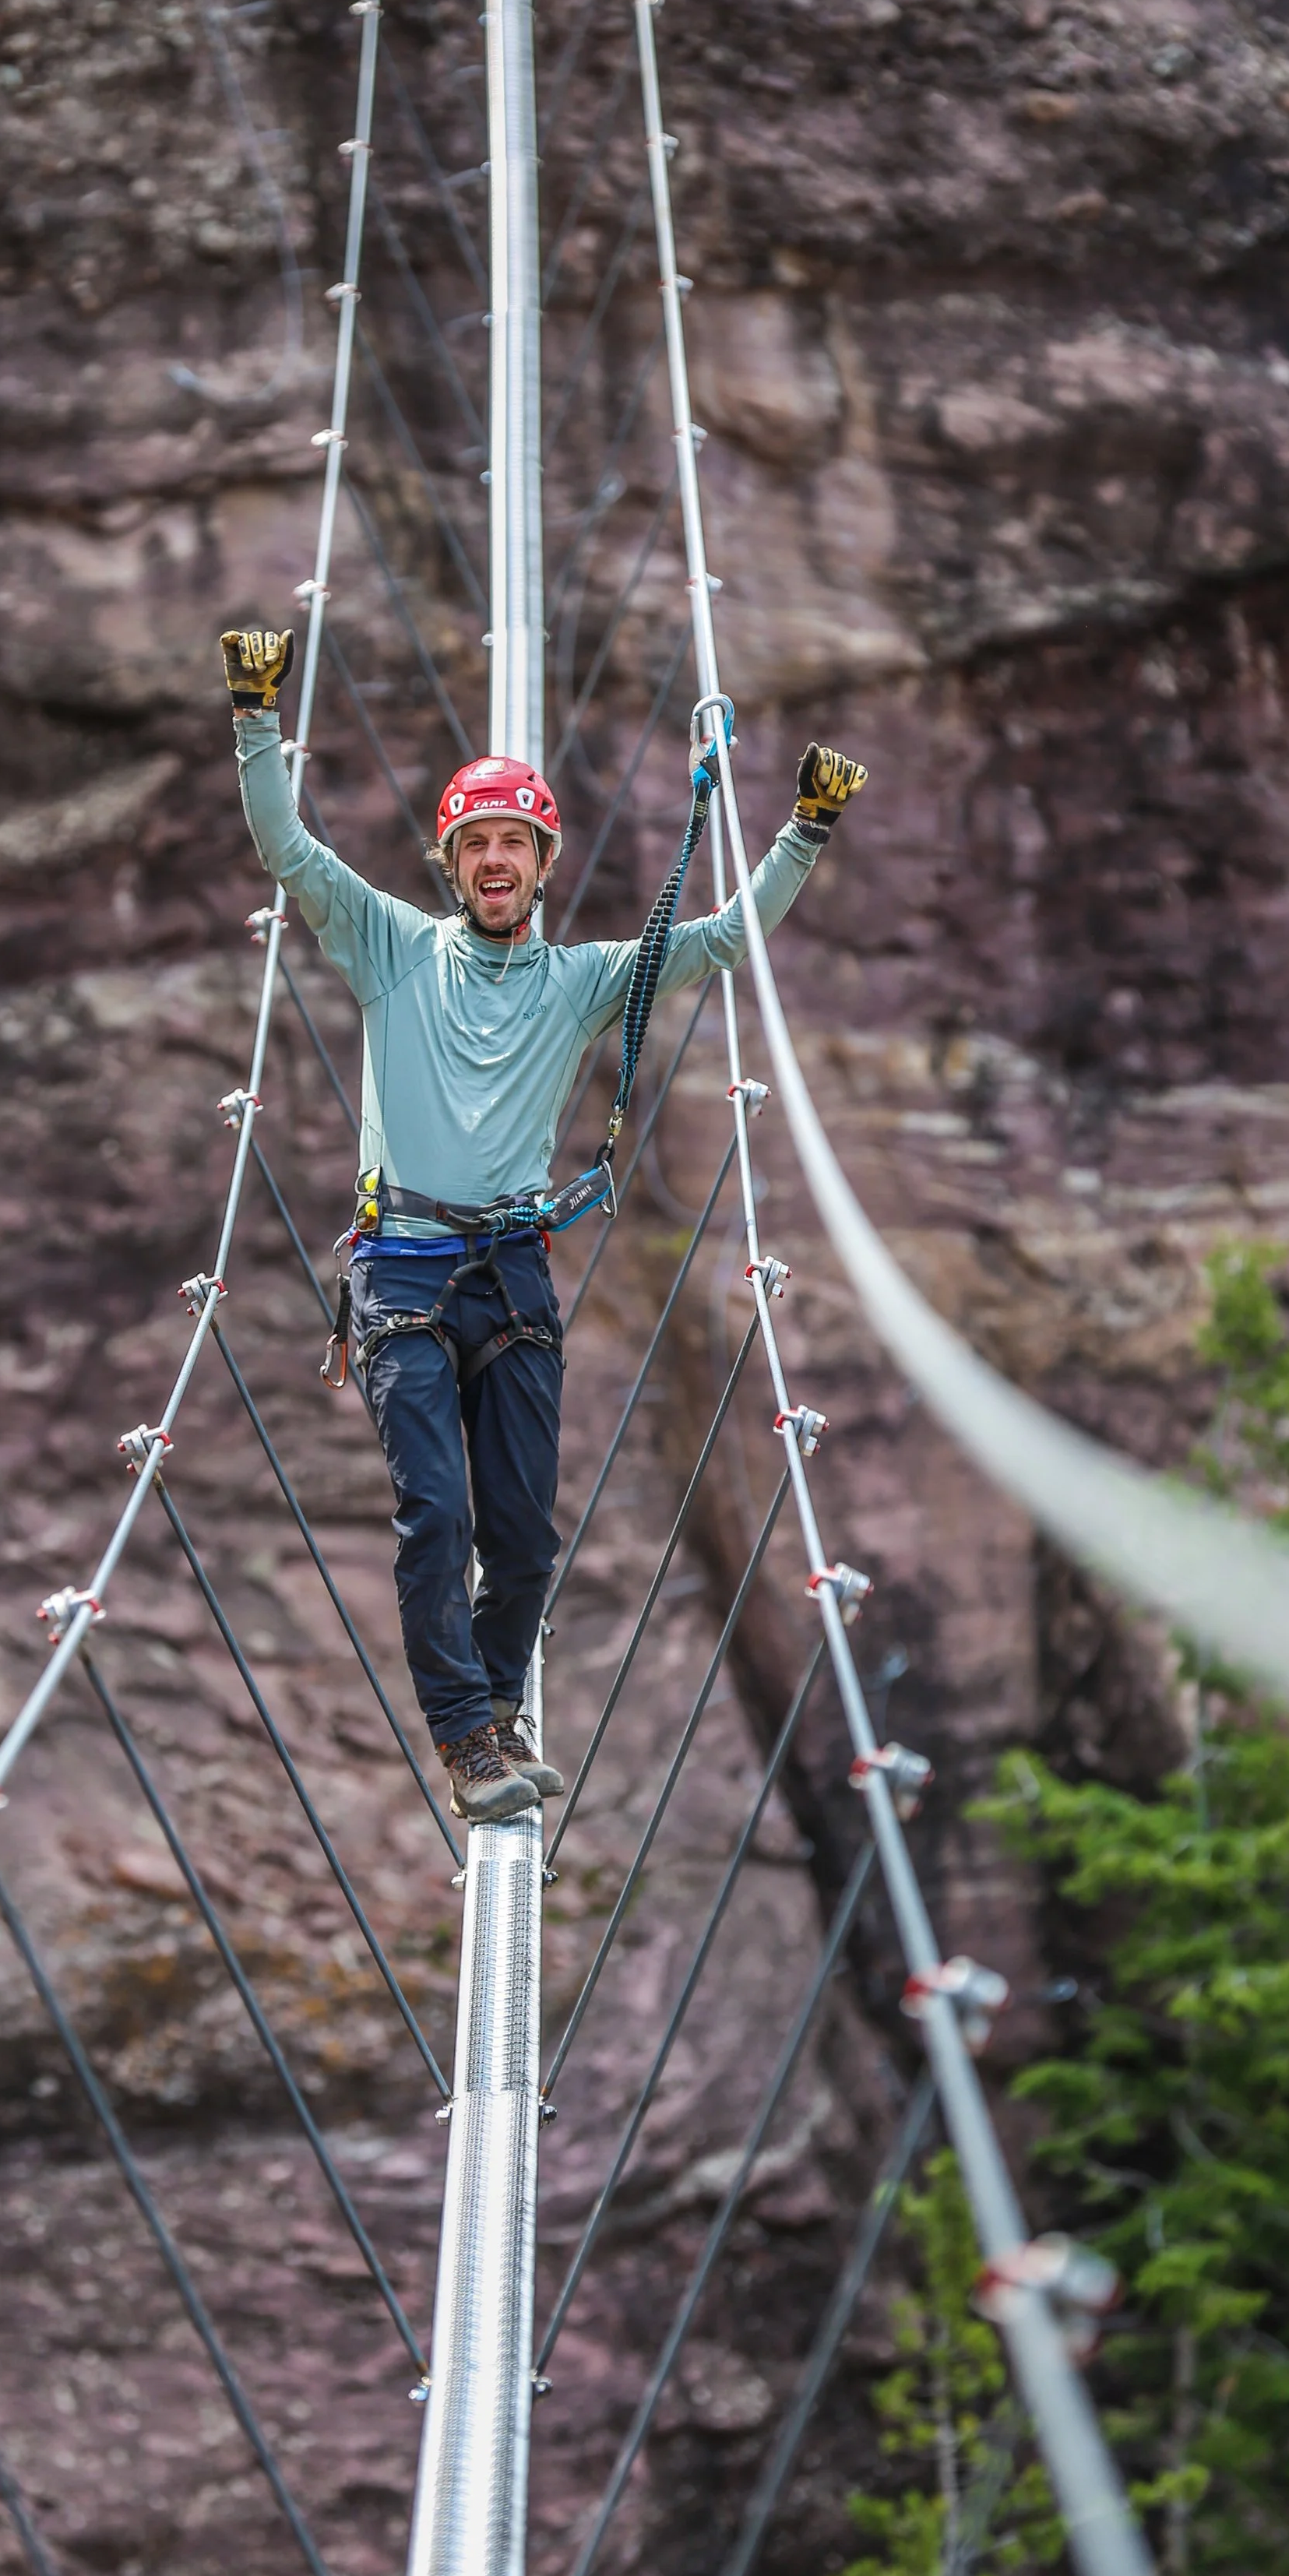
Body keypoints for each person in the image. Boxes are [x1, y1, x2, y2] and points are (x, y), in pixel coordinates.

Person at [220, 627, 867, 1823]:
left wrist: (802, 834)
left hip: (513, 1270)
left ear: (545, 859)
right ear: (451, 864)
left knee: (519, 1537)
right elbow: (286, 848)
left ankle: (502, 1704)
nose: (497, 859)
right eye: (477, 844)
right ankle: (469, 1739)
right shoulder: (392, 947)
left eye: (515, 840)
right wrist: (257, 712)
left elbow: (725, 940)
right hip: (404, 1268)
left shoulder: (585, 980)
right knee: (436, 1513)